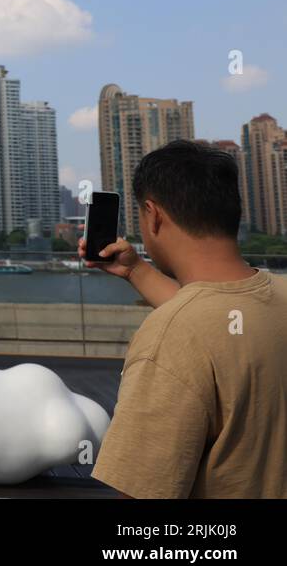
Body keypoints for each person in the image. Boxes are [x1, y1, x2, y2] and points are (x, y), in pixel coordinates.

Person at [81, 139, 287, 498]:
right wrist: (136, 271)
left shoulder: (172, 338)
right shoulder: (278, 295)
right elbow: (219, 318)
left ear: (154, 214)